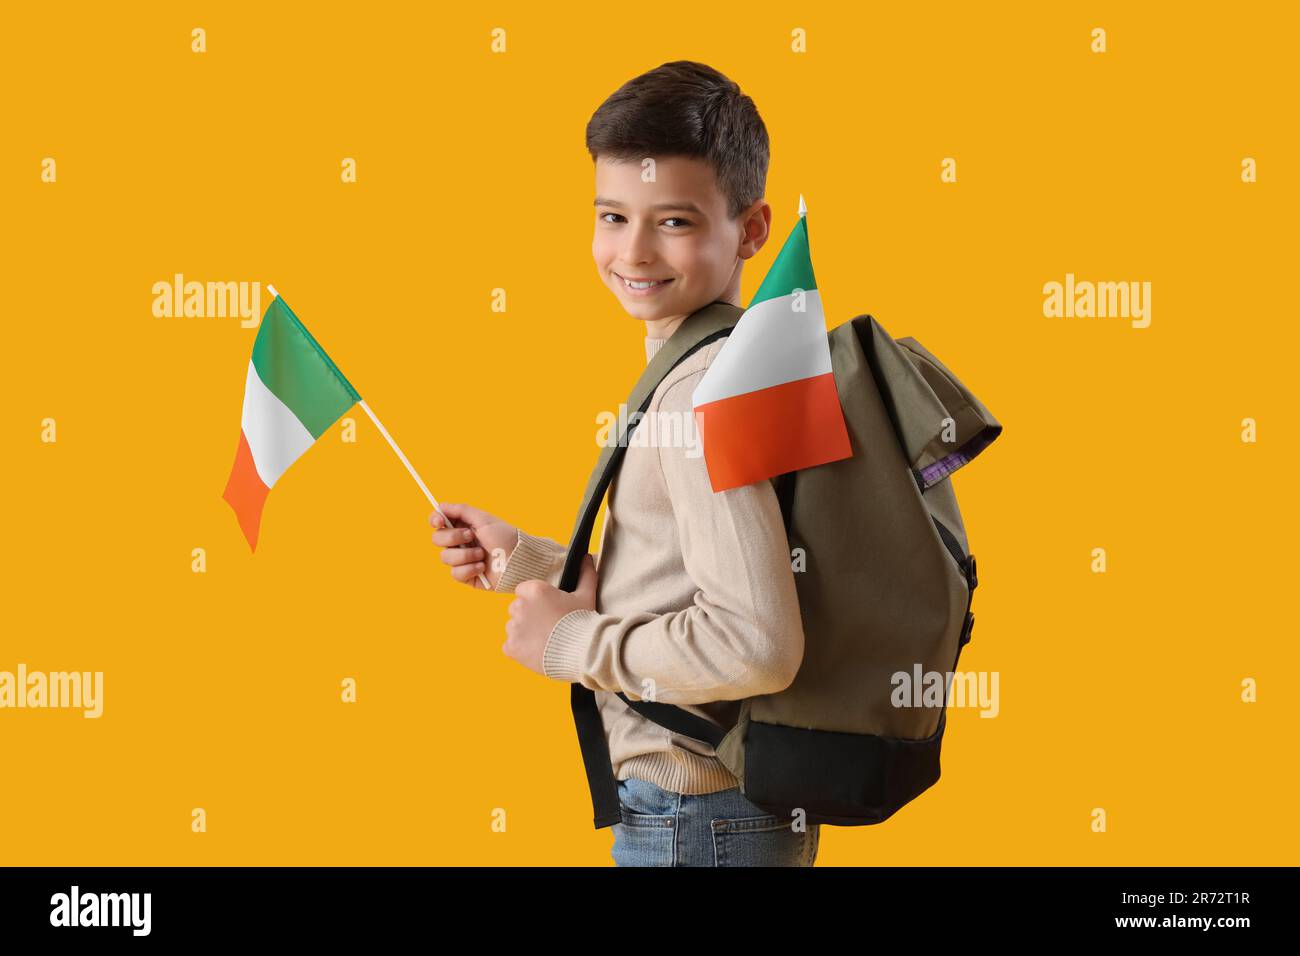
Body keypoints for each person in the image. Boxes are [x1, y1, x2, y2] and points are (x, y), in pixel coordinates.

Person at [429, 60, 817, 867]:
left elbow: (757, 643)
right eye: (612, 216)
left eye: (673, 221)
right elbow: (688, 578)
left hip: (696, 815)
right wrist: (527, 561)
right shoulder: (720, 360)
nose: (632, 251)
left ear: (751, 230)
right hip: (715, 812)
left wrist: (571, 641)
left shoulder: (699, 393)